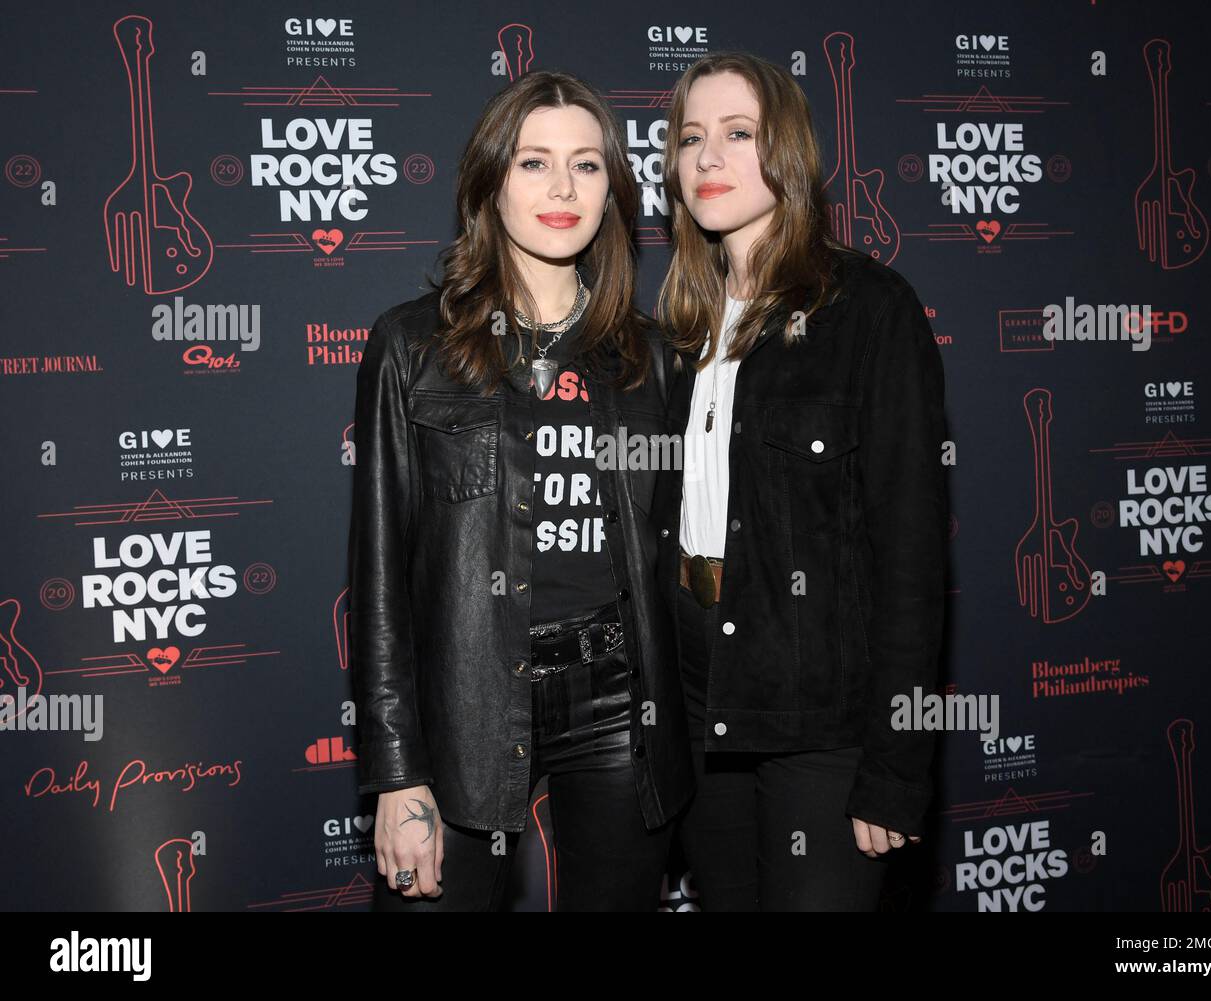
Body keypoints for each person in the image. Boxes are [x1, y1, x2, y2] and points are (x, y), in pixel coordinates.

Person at [348, 70, 694, 911]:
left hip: (620, 699)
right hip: (465, 696)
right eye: (535, 163)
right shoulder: (410, 346)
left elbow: (677, 556)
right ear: (490, 182)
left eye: (586, 164)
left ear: (613, 188)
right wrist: (397, 773)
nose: (562, 188)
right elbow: (381, 577)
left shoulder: (649, 356)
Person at [650, 51, 950, 911]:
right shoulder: (675, 330)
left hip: (822, 723)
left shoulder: (871, 311)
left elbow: (911, 561)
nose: (708, 159)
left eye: (737, 135)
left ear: (786, 151)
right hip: (701, 702)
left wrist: (896, 765)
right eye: (691, 138)